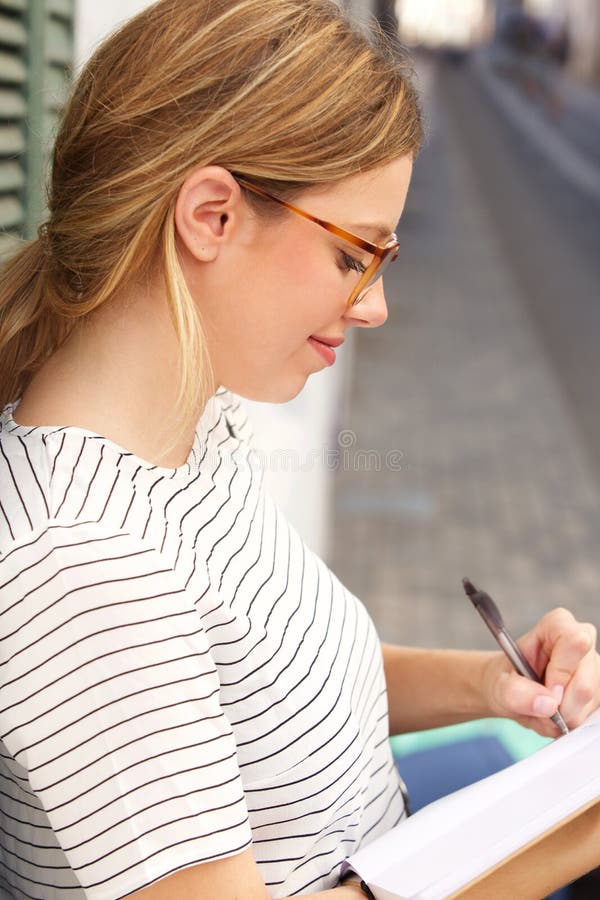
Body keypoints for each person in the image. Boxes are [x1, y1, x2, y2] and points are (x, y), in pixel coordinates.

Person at [0, 1, 598, 898]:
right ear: (211, 216)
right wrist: (565, 828)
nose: (373, 307)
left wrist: (494, 685)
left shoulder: (190, 426)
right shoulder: (85, 565)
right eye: (356, 255)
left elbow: (267, 699)